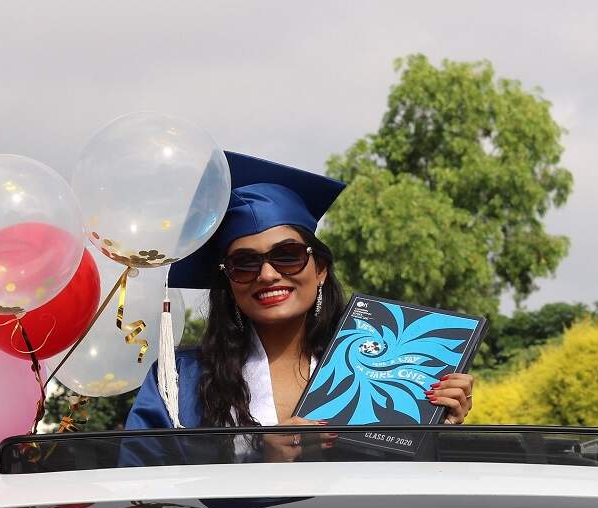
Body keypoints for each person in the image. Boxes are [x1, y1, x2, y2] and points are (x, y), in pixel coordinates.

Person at [124, 153, 476, 456]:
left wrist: (434, 426)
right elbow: (145, 491)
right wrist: (262, 463)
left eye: (287, 256)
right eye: (244, 264)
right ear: (228, 282)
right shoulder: (181, 381)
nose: (267, 275)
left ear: (320, 269)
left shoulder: (380, 364)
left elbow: (399, 491)